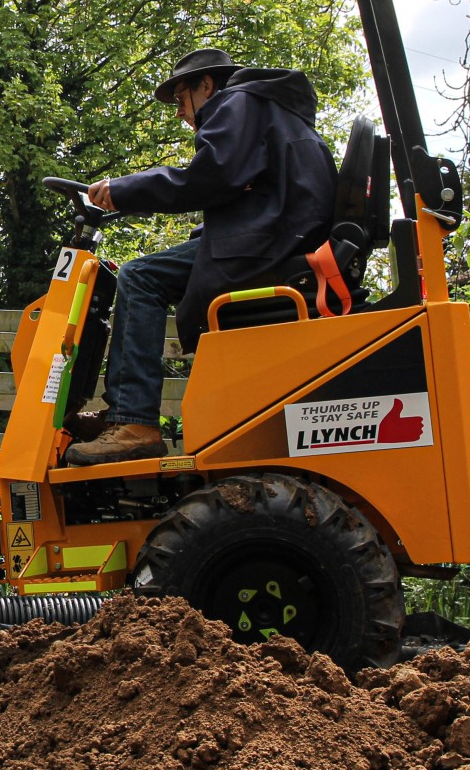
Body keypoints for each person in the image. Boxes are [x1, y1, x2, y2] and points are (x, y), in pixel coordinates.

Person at [65, 48, 336, 466]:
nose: (180, 113)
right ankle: (126, 410)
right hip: (281, 241)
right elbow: (245, 190)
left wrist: (125, 188)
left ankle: (135, 420)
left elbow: (212, 176)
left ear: (205, 85)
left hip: (269, 248)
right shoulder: (272, 109)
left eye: (180, 100)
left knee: (139, 277)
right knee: (149, 272)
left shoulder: (239, 101)